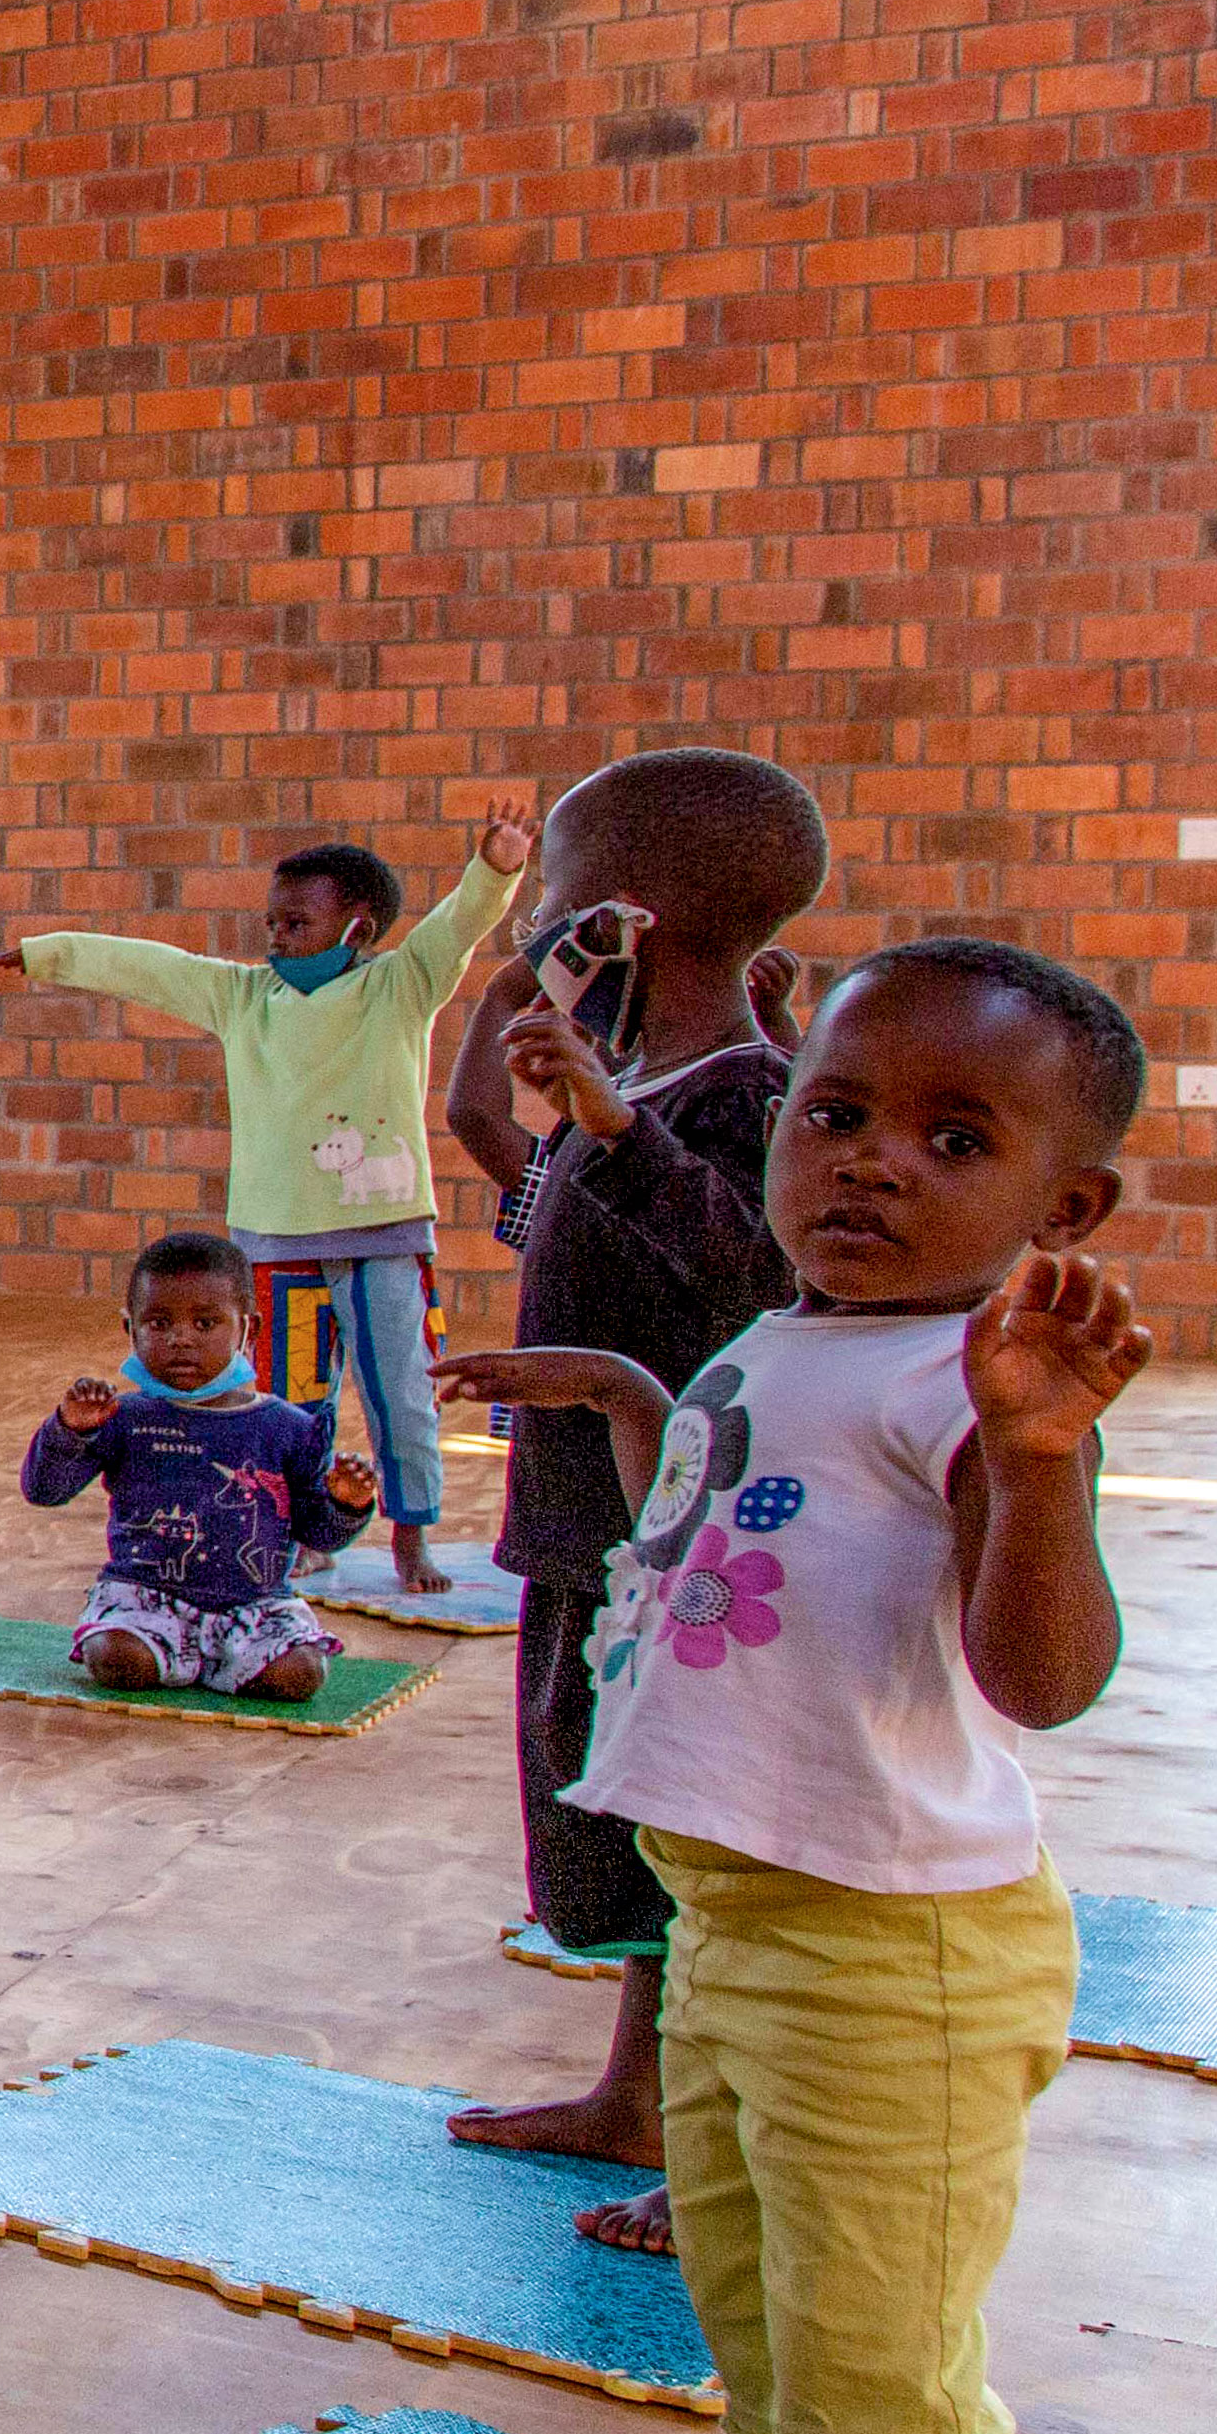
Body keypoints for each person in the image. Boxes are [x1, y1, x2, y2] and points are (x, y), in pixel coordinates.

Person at [437, 939, 1147, 2434]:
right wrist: (607, 1385)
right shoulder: (785, 1336)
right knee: (765, 2330)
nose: (869, 1163)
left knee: (881, 2371)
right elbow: (726, 1493)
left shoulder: (975, 1375)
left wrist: (1040, 1452)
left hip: (894, 1964)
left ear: (1060, 1209)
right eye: (836, 1115)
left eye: (951, 1135)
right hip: (743, 1936)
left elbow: (1043, 1675)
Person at [431, 749, 828, 2244]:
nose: (533, 919)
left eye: (549, 901)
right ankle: (637, 2095)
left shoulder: (750, 1096)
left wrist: (610, 1120)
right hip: (582, 1517)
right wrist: (507, 1022)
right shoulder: (633, 1083)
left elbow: (752, 1266)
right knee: (607, 1813)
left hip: (677, 1528)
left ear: (621, 918)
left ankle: (707, 2144)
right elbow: (500, 1161)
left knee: (687, 1837)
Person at [0, 809, 523, 1591]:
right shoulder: (244, 998)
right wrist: (51, 953)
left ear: (358, 926)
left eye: (297, 923)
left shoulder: (401, 986)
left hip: (386, 1235)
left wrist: (497, 870)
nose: (276, 937)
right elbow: (152, 967)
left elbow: (459, 925)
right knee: (293, 1403)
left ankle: (412, 1537)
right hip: (276, 1242)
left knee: (402, 1395)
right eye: (271, 922)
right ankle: (310, 1532)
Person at [23, 1234, 377, 1702]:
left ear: (247, 1330)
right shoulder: (124, 1418)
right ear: (130, 1329)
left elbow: (320, 1534)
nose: (181, 1339)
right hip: (145, 1600)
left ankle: (213, 1658)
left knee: (301, 1674)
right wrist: (69, 1429)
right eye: (158, 1322)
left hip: (257, 1605)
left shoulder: (290, 1428)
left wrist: (347, 1503)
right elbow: (44, 1490)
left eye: (206, 1323)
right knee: (115, 1656)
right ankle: (185, 1658)